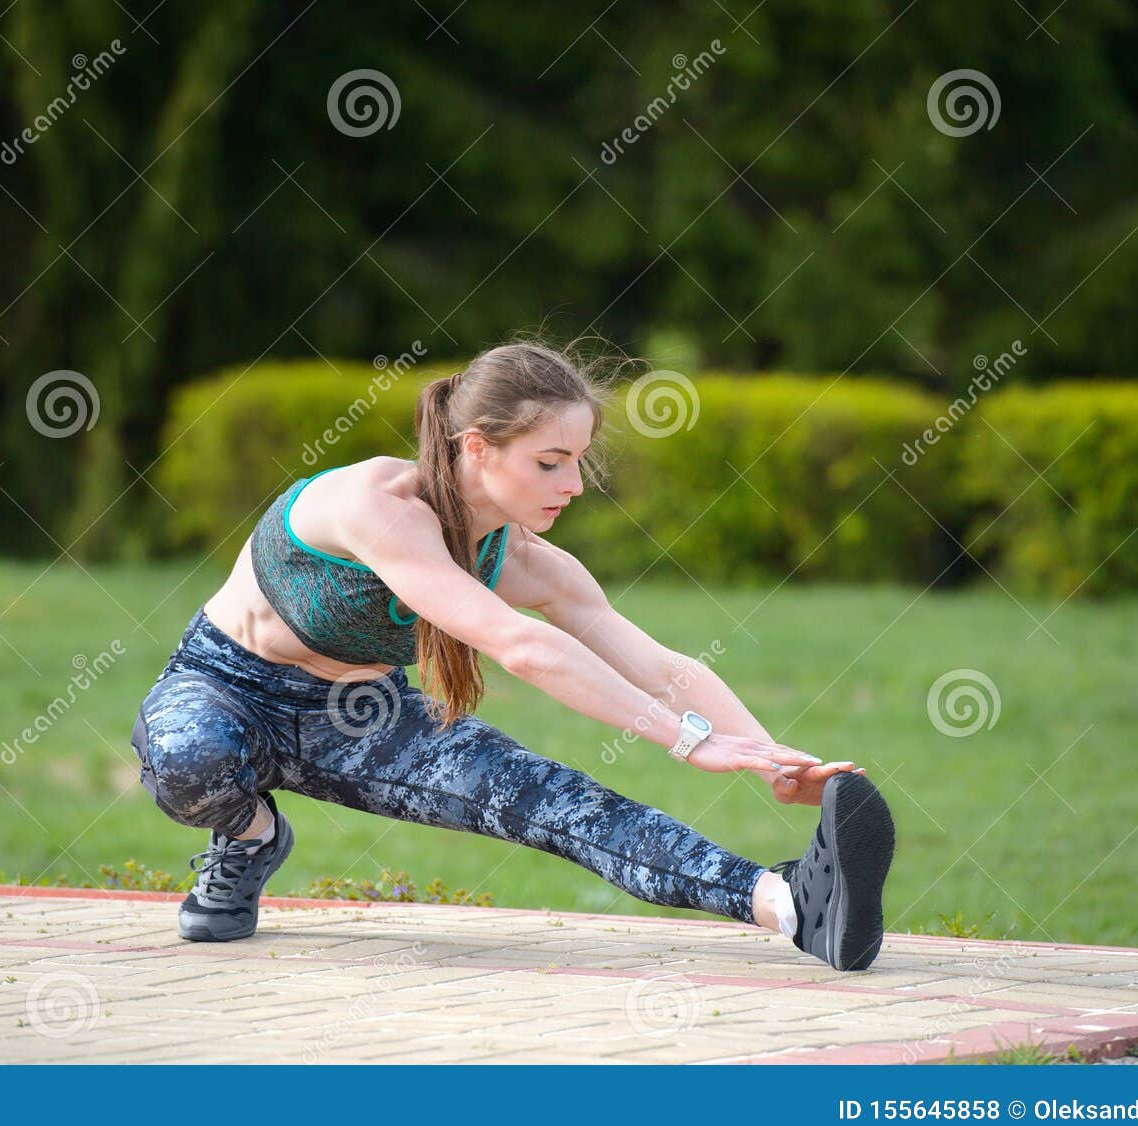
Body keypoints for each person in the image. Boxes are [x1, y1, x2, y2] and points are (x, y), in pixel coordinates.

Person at [130, 340, 895, 970]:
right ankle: (251, 837)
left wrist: (769, 759)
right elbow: (522, 646)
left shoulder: (522, 558)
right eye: (550, 461)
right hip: (228, 688)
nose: (575, 484)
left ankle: (792, 905)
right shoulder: (378, 507)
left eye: (579, 460)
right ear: (477, 447)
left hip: (362, 713)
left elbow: (661, 665)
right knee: (189, 753)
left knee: (557, 803)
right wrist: (686, 739)